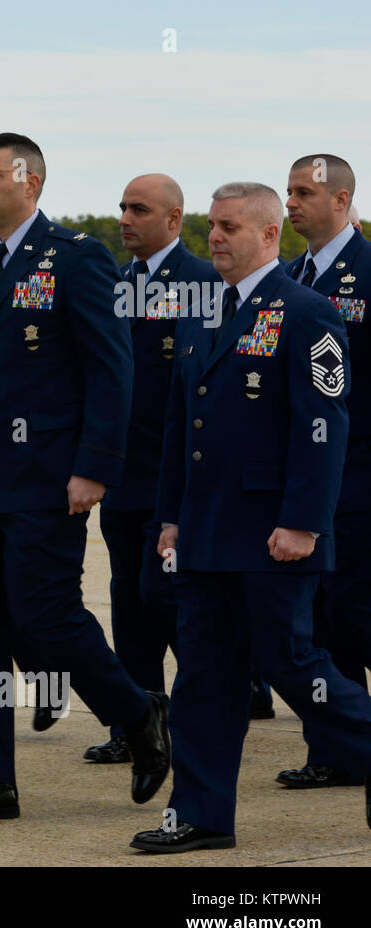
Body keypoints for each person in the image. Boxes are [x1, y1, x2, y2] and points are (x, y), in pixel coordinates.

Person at [0, 133, 170, 826]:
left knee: (46, 616)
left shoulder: (77, 258)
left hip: (50, 476)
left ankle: (136, 711)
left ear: (31, 182)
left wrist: (94, 468)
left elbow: (110, 370)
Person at [132, 182, 371, 852]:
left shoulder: (308, 311)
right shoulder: (202, 311)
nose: (215, 238)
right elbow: (184, 429)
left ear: (269, 233)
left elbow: (323, 428)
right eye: (211, 225)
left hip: (275, 533)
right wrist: (171, 519)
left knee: (293, 665)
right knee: (203, 679)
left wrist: (303, 521)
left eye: (230, 226)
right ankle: (200, 815)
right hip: (207, 532)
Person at [85, 174, 218, 764]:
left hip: (175, 476)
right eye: (121, 207)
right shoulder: (119, 282)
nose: (124, 218)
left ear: (173, 218)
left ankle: (208, 707)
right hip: (124, 472)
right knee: (129, 602)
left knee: (166, 596)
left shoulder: (200, 282)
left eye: (138, 208)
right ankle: (137, 721)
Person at [274, 153, 371, 789]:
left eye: (304, 192)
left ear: (340, 199)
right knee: (322, 619)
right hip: (308, 480)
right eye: (286, 193)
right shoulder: (289, 277)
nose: (291, 204)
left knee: (359, 614)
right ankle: (334, 749)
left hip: (363, 474)